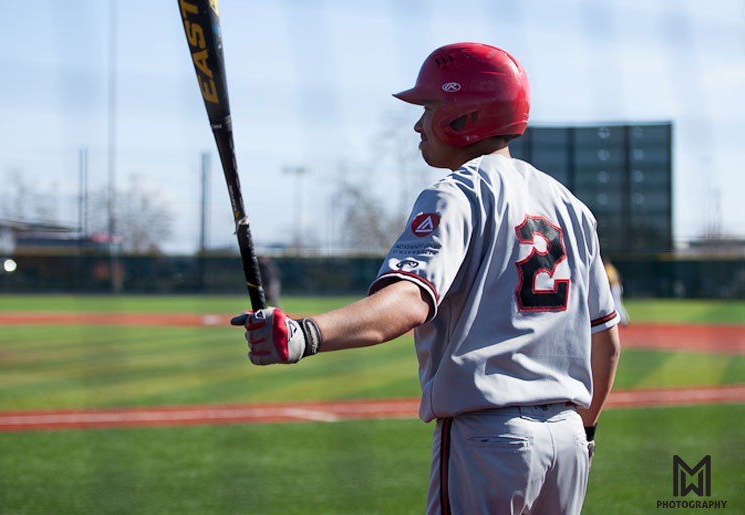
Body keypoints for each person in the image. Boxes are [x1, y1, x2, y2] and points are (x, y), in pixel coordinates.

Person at [232, 42, 621, 515]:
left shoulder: (457, 194)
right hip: (568, 440)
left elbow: (410, 302)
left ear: (463, 117)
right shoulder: (571, 207)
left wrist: (303, 334)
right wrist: (586, 430)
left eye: (429, 108)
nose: (418, 124)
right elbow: (607, 342)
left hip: (491, 441)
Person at [604, 258, 630, 326]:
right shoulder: (612, 268)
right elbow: (619, 277)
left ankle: (624, 320)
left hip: (614, 287)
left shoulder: (608, 270)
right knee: (618, 303)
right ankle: (626, 318)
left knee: (616, 304)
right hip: (617, 286)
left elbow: (610, 281)